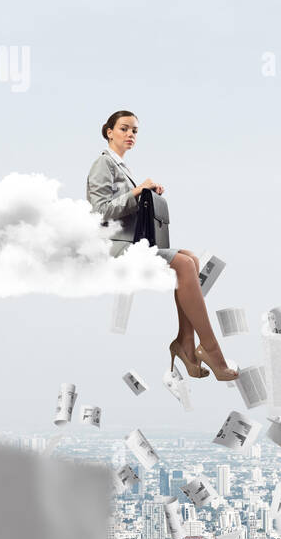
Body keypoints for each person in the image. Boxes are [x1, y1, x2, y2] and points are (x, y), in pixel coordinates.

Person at [87, 110, 237, 380]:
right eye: (124, 129)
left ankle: (186, 345)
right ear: (109, 132)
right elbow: (99, 211)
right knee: (183, 264)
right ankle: (211, 350)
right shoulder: (103, 164)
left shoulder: (120, 165)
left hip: (131, 242)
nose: (130, 134)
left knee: (190, 259)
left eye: (134, 130)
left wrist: (146, 193)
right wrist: (136, 192)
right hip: (115, 247)